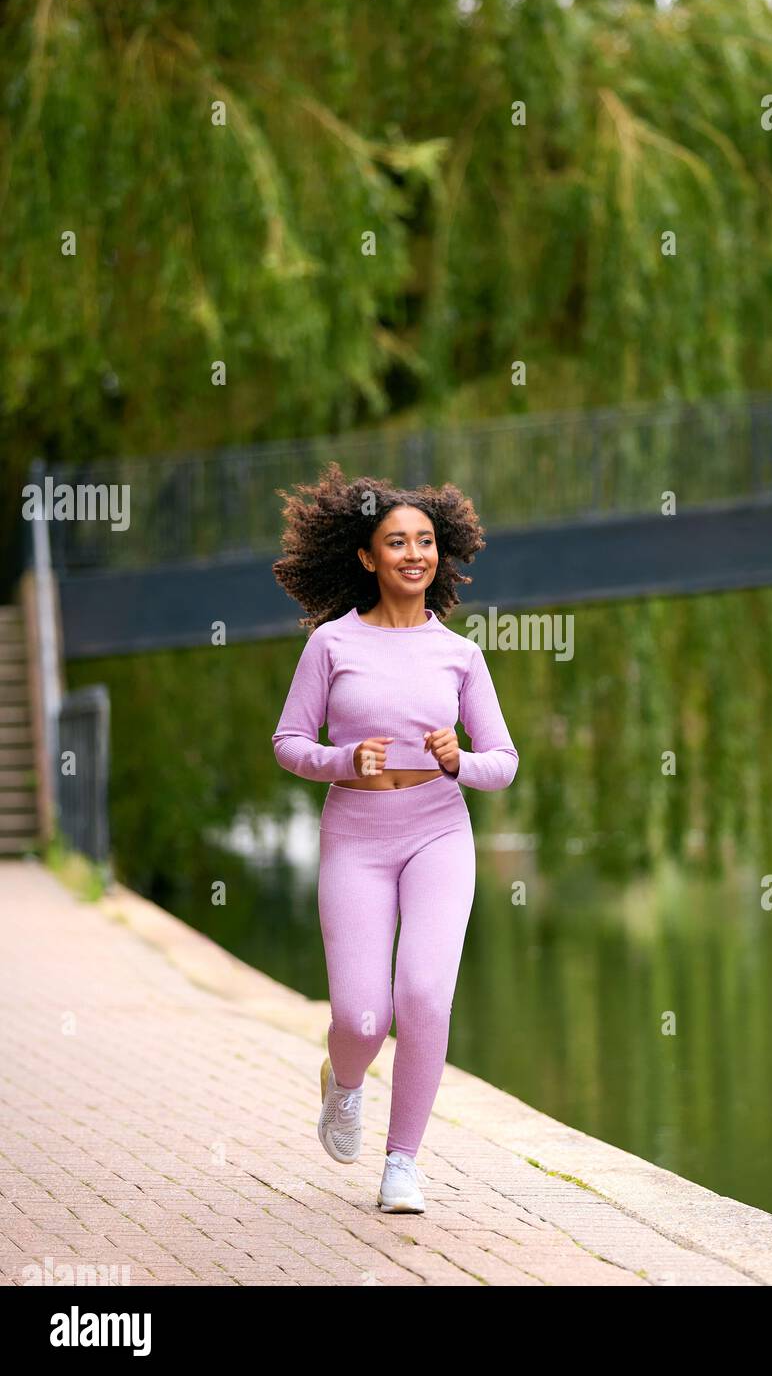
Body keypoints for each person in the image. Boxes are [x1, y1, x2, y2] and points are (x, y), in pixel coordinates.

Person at [270, 467, 518, 1214]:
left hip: (439, 830)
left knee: (423, 998)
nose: (415, 554)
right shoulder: (331, 645)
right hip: (357, 835)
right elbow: (287, 741)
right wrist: (340, 760)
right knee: (361, 1018)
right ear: (367, 557)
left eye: (427, 542)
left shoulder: (460, 655)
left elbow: (503, 763)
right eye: (397, 542)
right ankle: (343, 1086)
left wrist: (459, 762)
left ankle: (401, 1163)